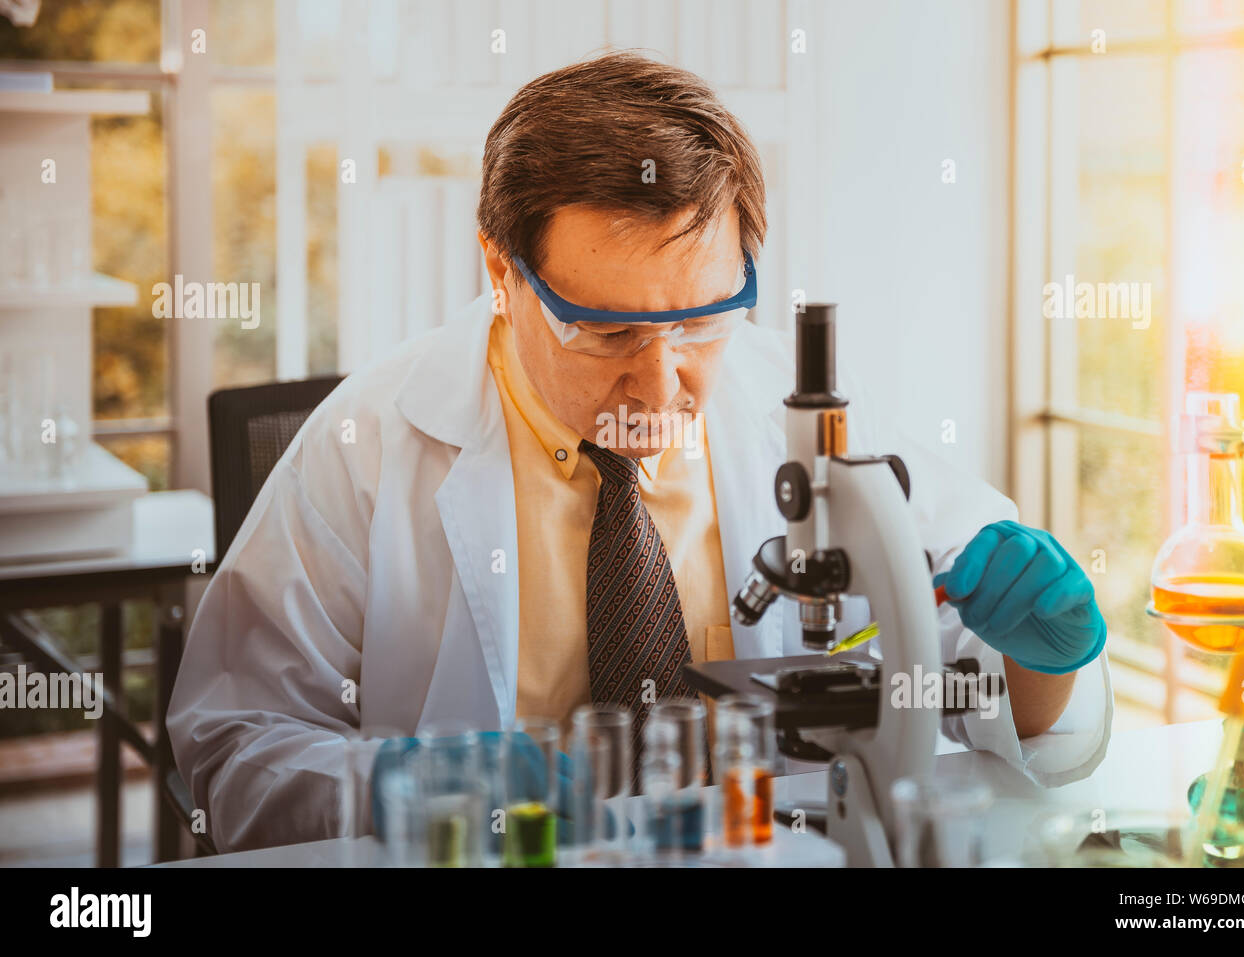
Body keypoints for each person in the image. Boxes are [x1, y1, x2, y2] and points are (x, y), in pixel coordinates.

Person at [167, 51, 1111, 853]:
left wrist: (1044, 660)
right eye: (608, 330)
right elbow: (231, 749)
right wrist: (444, 784)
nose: (664, 388)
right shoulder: (369, 446)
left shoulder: (794, 411)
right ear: (503, 272)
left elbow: (975, 688)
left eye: (702, 321)